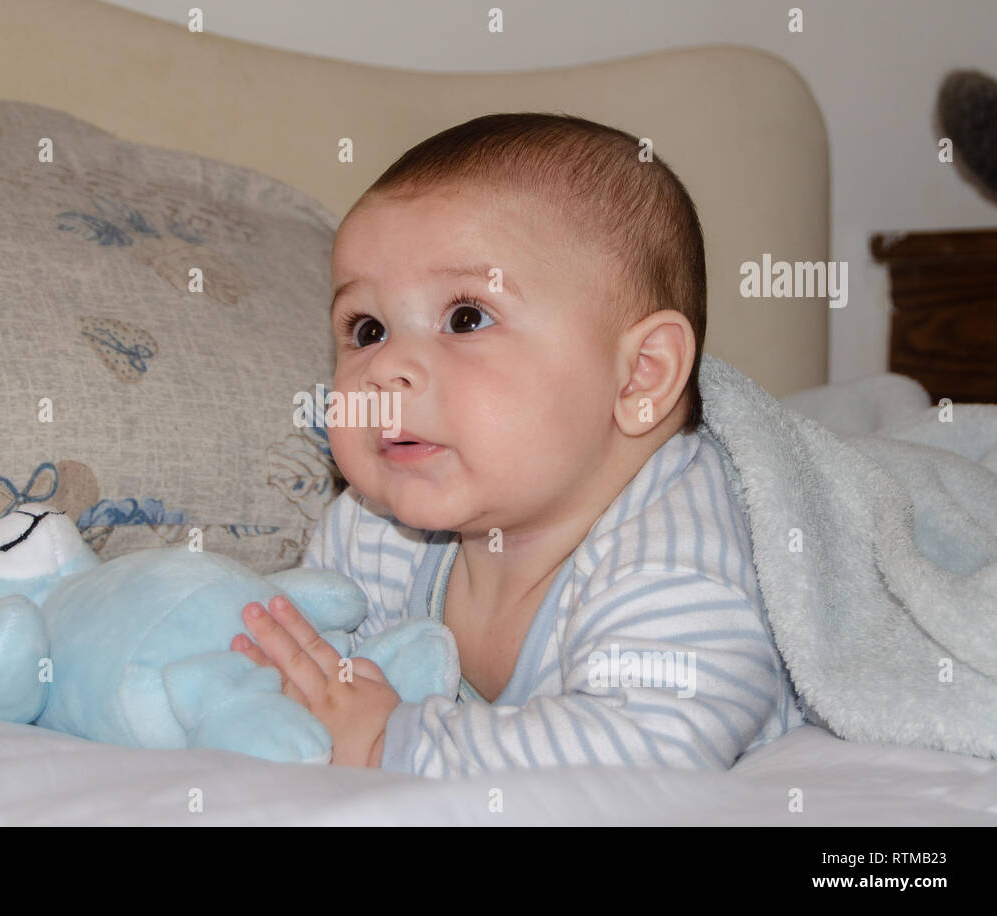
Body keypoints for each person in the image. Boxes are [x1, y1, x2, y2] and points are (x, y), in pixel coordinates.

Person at [232, 112, 804, 776]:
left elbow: (652, 753)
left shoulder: (676, 562)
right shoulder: (374, 527)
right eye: (366, 329)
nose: (385, 368)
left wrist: (398, 743)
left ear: (640, 375)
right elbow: (310, 667)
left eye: (466, 317)